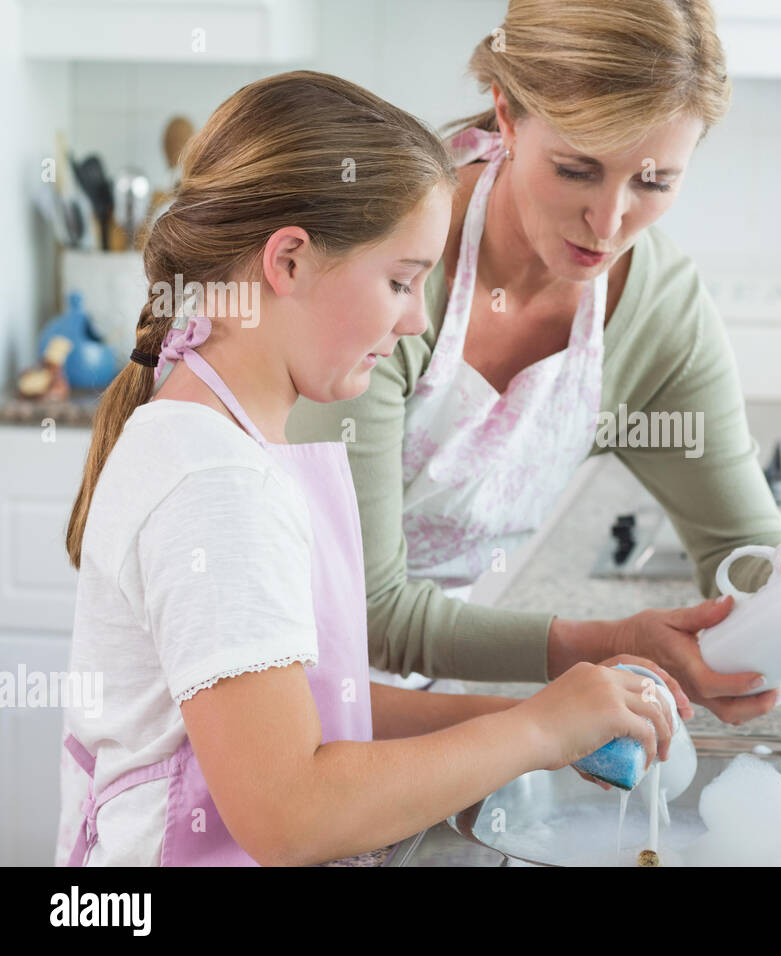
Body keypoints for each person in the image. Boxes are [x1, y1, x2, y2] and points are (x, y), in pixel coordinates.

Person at [56, 71, 682, 867]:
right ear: (289, 261)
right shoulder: (216, 488)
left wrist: (550, 722)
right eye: (399, 281)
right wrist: (534, 730)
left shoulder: (223, 437)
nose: (418, 319)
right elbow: (291, 814)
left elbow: (316, 712)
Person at [286, 0, 781, 725]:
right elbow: (370, 607)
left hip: (404, 702)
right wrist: (611, 645)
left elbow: (740, 553)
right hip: (238, 697)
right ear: (506, 117)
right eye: (577, 170)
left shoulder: (657, 314)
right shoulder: (388, 262)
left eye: (655, 182)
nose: (608, 224)